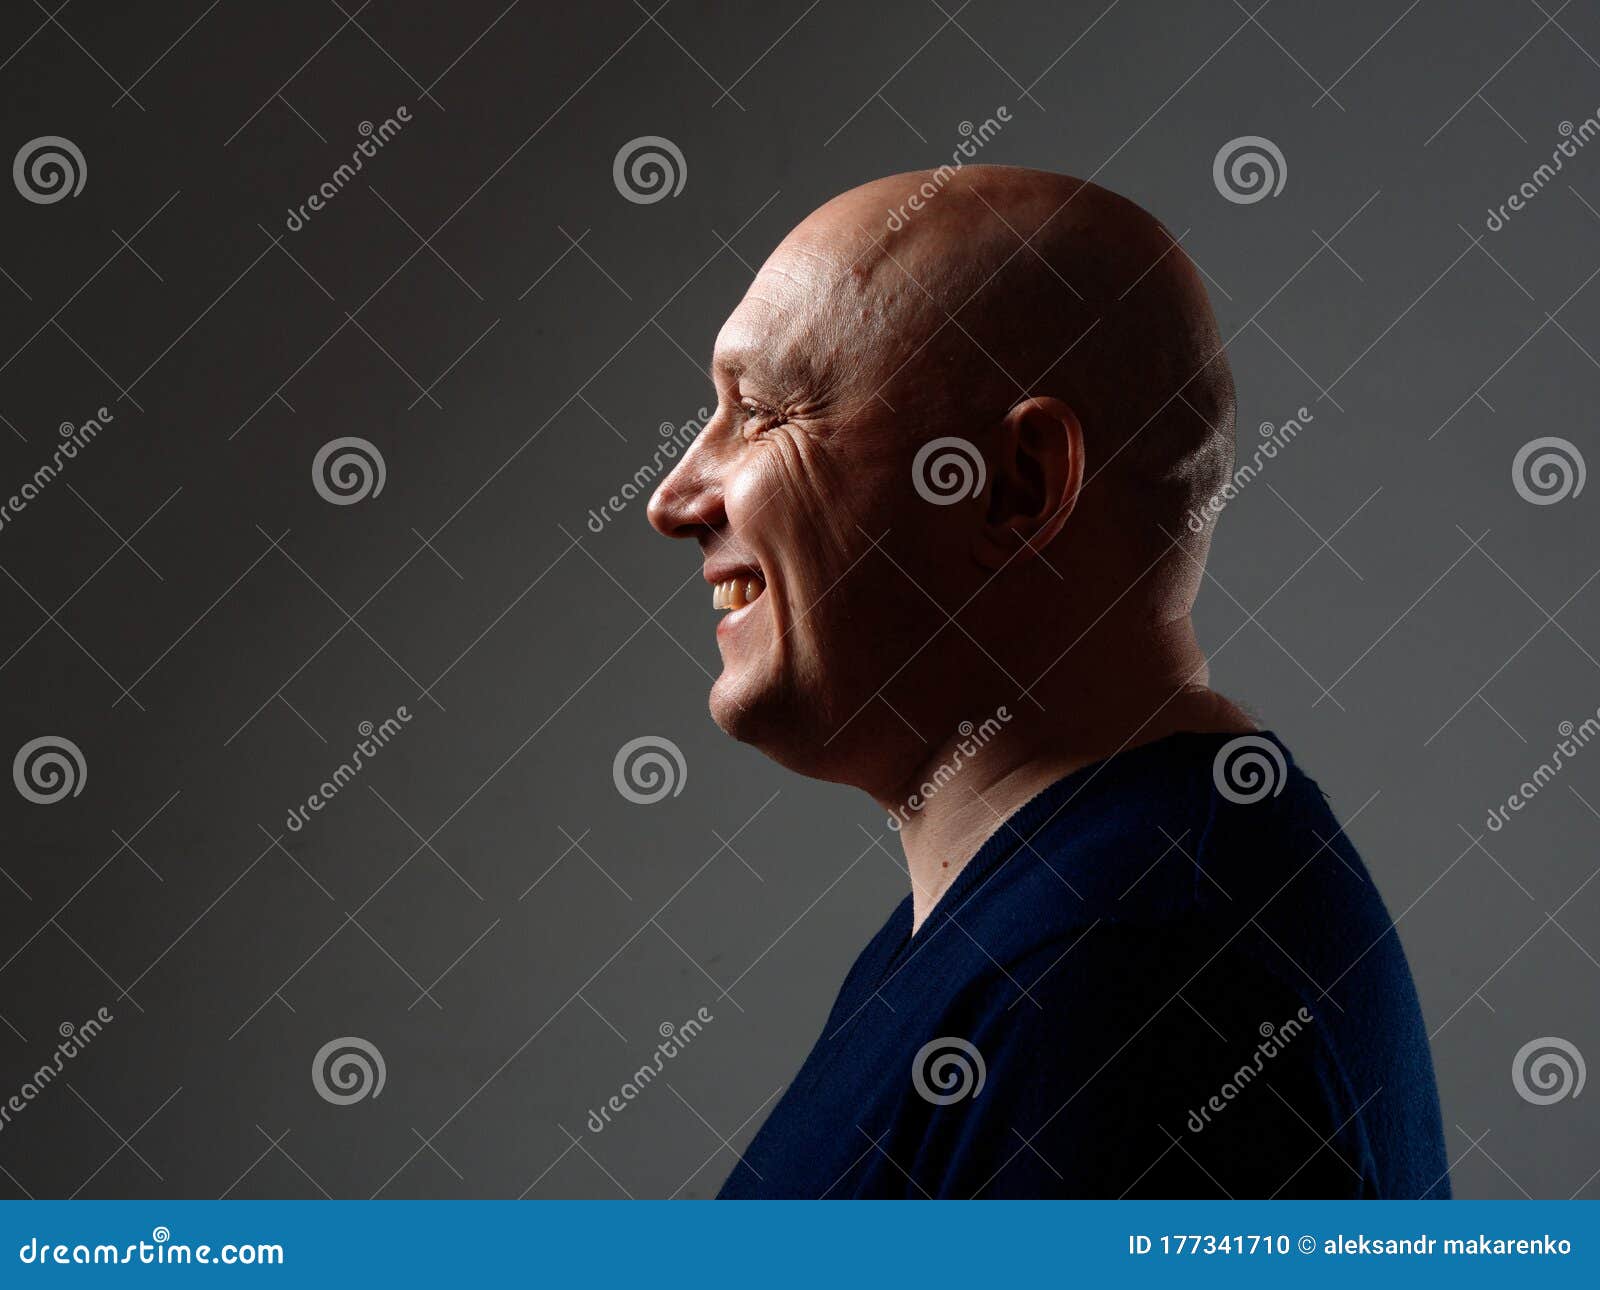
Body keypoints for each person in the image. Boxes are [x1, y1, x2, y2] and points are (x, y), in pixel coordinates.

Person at [647, 166, 1449, 1198]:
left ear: (1016, 485)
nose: (673, 499)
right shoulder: (1040, 916)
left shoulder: (1116, 980)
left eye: (762, 415)